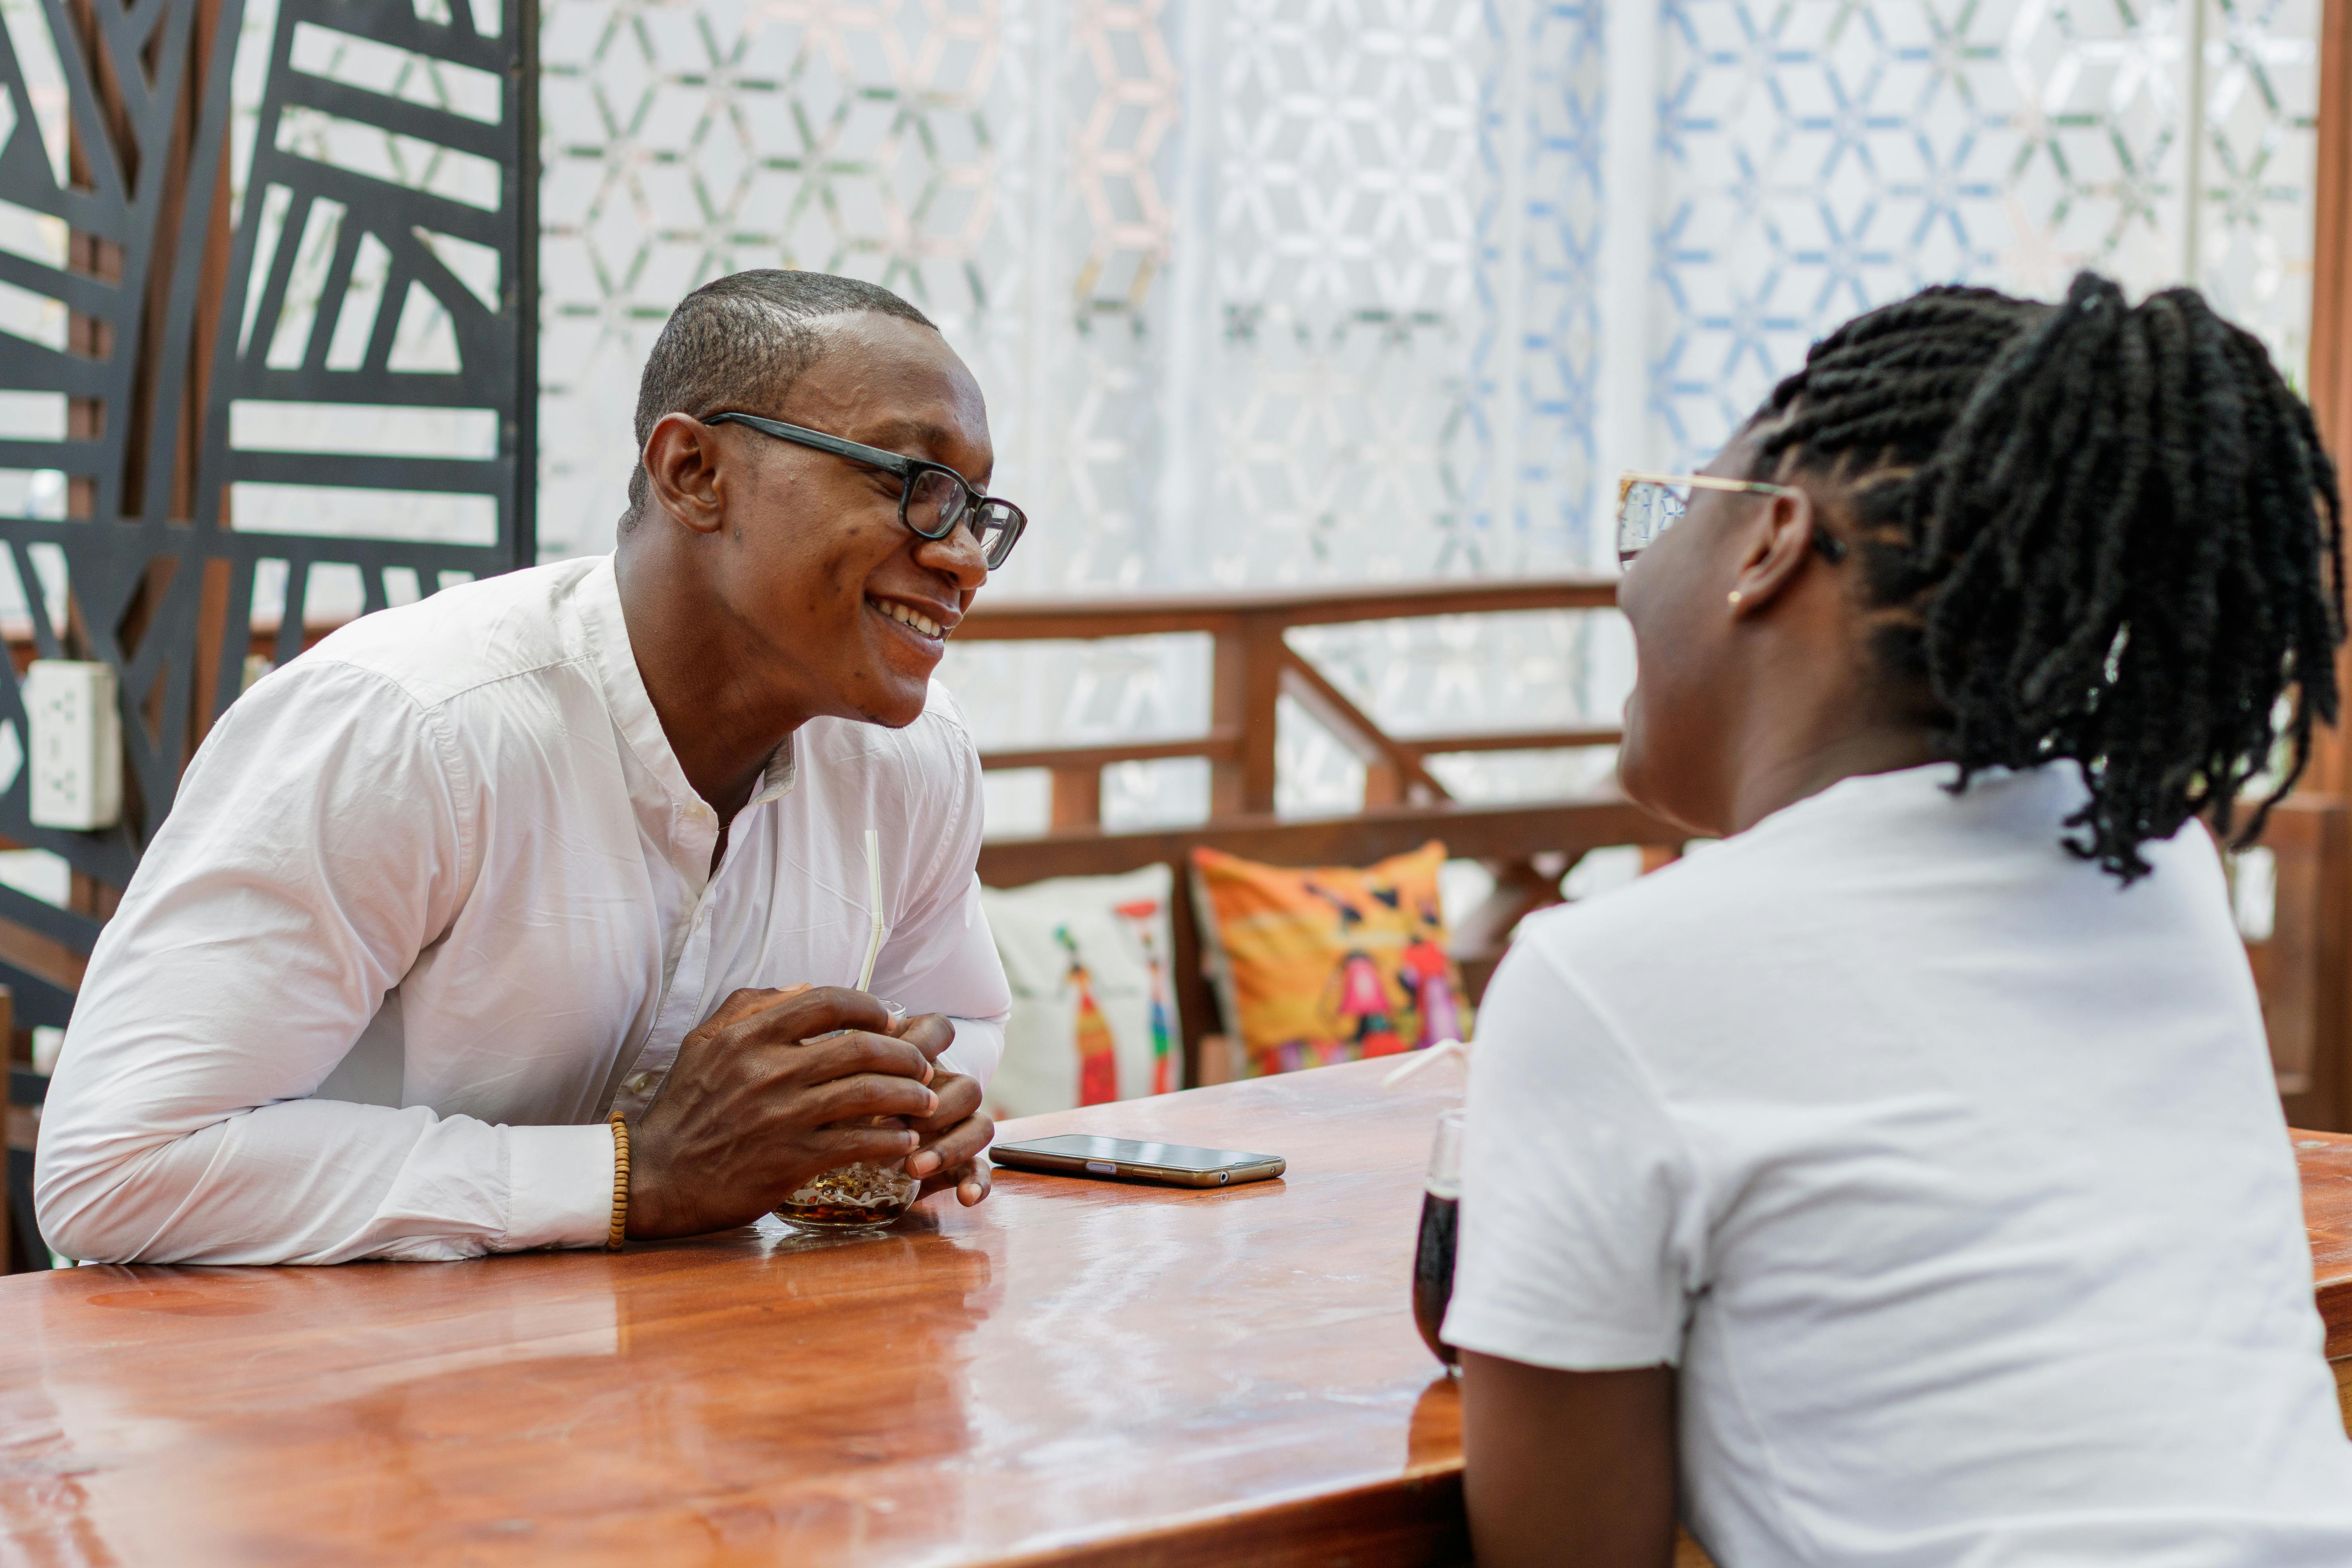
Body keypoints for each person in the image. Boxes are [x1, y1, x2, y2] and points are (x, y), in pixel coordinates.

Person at [1447, 274, 2352, 1565]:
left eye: (1658, 514)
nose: (1627, 577)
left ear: (1765, 543)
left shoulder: (1607, 978)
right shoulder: (2156, 871)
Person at [35, 270, 1021, 1263]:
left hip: (669, 1379)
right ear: (693, 473)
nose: (966, 560)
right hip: (284, 1385)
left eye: (978, 511)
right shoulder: (411, 729)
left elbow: (964, 1014)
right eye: (914, 485)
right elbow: (113, 1167)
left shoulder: (912, 758)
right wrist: (639, 1174)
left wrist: (901, 1107)